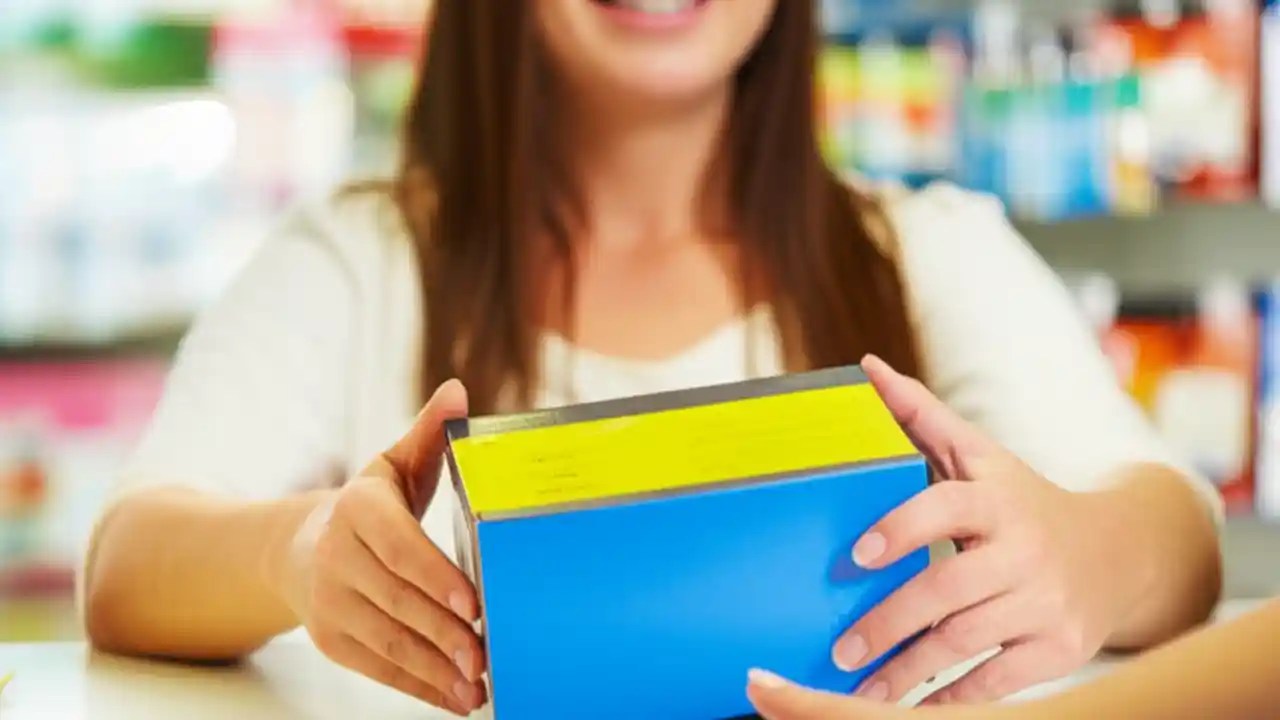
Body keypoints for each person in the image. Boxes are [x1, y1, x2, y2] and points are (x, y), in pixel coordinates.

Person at [82, 0, 1222, 716]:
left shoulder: (931, 251)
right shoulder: (358, 258)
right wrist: (297, 550)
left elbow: (1177, 540)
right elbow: (126, 566)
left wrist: (1074, 554)